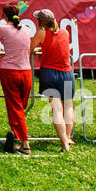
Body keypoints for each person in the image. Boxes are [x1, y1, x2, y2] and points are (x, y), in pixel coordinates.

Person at [0, 2, 33, 154]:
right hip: (26, 71)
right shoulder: (26, 29)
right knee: (20, 107)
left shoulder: (1, 28)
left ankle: (25, 143)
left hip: (10, 72)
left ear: (4, 15)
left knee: (16, 108)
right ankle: (18, 135)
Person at [32, 8, 75, 151]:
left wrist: (39, 50)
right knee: (68, 106)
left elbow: (31, 49)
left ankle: (64, 143)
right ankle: (68, 138)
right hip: (67, 72)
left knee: (57, 109)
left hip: (49, 73)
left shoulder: (41, 33)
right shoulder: (65, 32)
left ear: (41, 22)